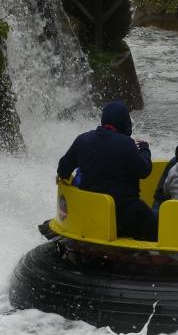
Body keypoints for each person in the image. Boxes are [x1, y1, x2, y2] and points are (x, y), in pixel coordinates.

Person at [57, 100, 156, 240]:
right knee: (159, 219)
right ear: (125, 122)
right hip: (125, 216)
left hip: (91, 213)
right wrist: (145, 149)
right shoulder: (126, 144)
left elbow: (62, 170)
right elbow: (144, 171)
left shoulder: (82, 140)